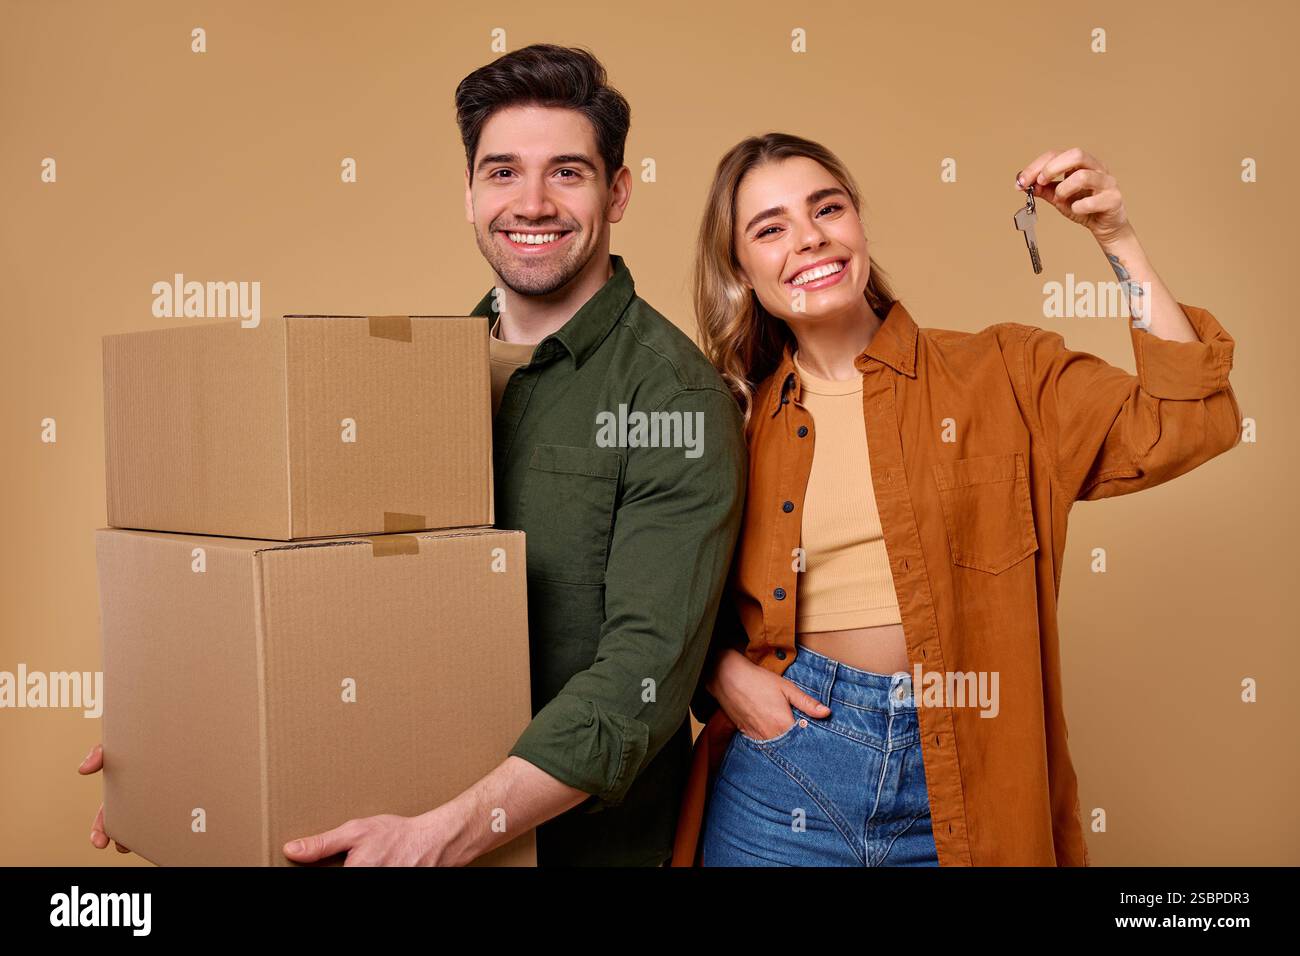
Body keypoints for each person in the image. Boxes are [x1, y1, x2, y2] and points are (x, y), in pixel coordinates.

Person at [82, 43, 746, 868]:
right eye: (502, 173)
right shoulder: (410, 378)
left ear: (617, 191)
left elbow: (639, 687)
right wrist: (184, 758)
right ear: (468, 193)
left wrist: (442, 835)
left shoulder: (672, 400)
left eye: (566, 173)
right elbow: (333, 595)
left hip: (575, 850)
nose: (531, 203)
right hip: (398, 818)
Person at [671, 133, 1242, 866]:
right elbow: (654, 596)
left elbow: (1187, 422)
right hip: (786, 777)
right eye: (770, 227)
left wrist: (1116, 238)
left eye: (828, 209)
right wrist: (722, 674)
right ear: (741, 272)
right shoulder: (729, 419)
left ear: (860, 227)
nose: (809, 238)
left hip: (967, 775)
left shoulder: (1005, 371)